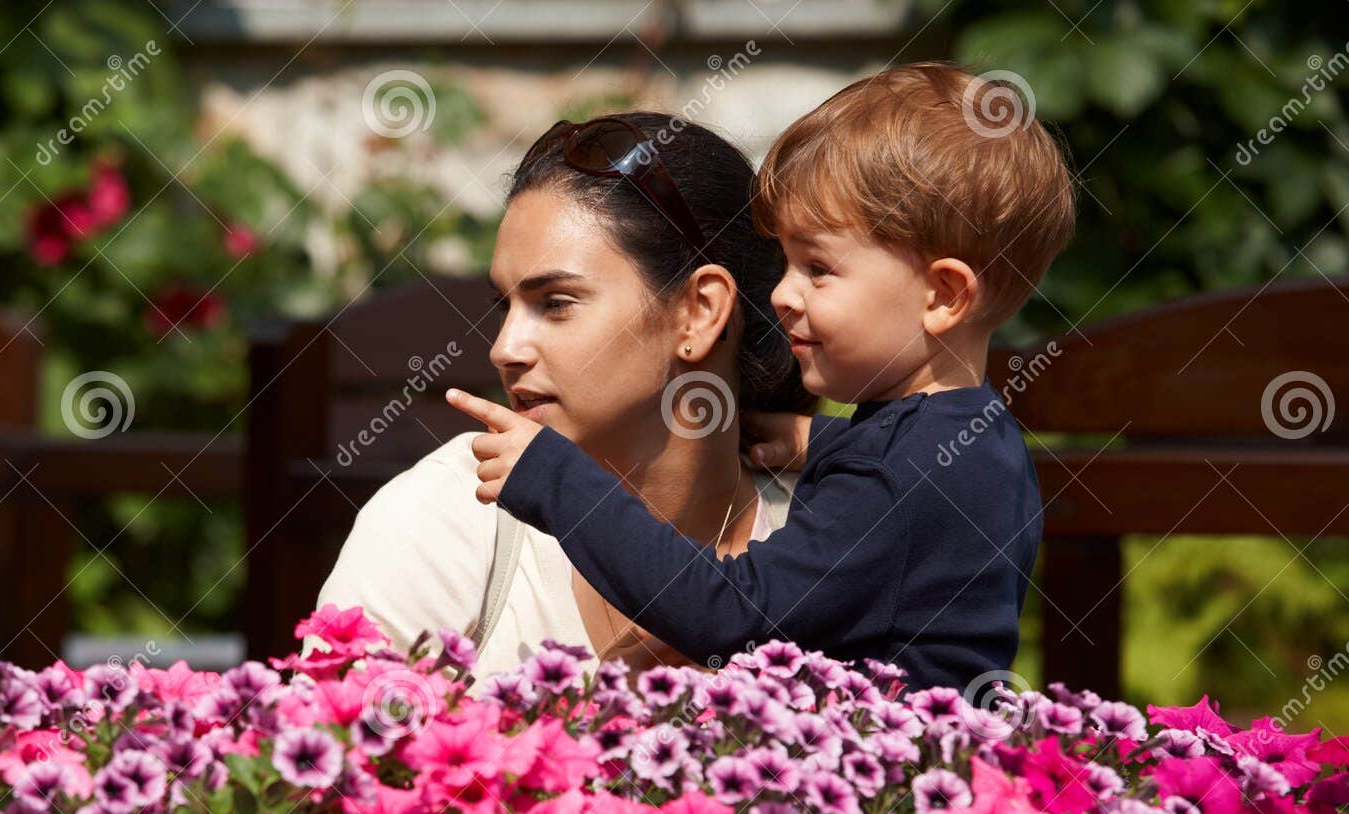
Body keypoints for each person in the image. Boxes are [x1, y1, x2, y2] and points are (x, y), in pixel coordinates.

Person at [446, 63, 1076, 691]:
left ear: (942, 295)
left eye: (818, 268)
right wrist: (816, 440)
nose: (780, 294)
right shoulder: (978, 437)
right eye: (785, 263)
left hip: (887, 773)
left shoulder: (899, 473)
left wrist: (560, 483)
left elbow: (732, 615)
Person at [317, 112, 813, 682]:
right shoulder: (450, 515)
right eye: (505, 307)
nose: (505, 349)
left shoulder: (825, 531)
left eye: (555, 302)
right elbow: (329, 749)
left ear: (699, 312)